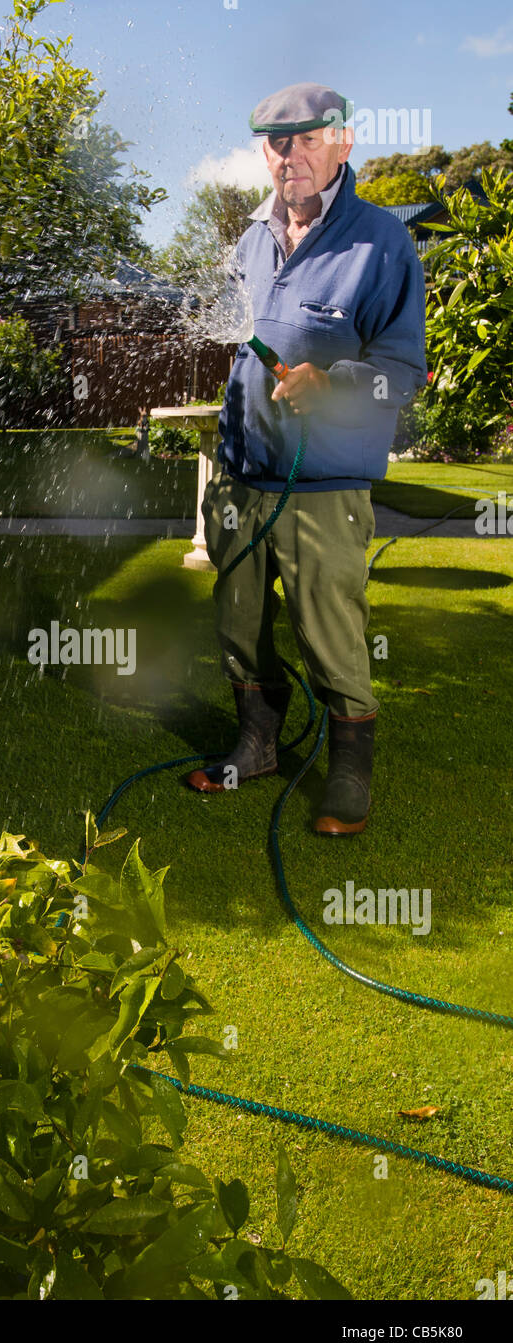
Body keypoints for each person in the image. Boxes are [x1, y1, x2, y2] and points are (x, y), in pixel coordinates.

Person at [186, 82, 427, 834]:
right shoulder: (252, 238)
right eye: (275, 143)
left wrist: (336, 383)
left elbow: (405, 371)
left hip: (322, 482)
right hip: (239, 471)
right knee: (238, 622)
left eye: (306, 140)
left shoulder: (380, 241)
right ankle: (255, 744)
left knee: (327, 629)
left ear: (343, 142)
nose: (288, 156)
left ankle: (348, 774)